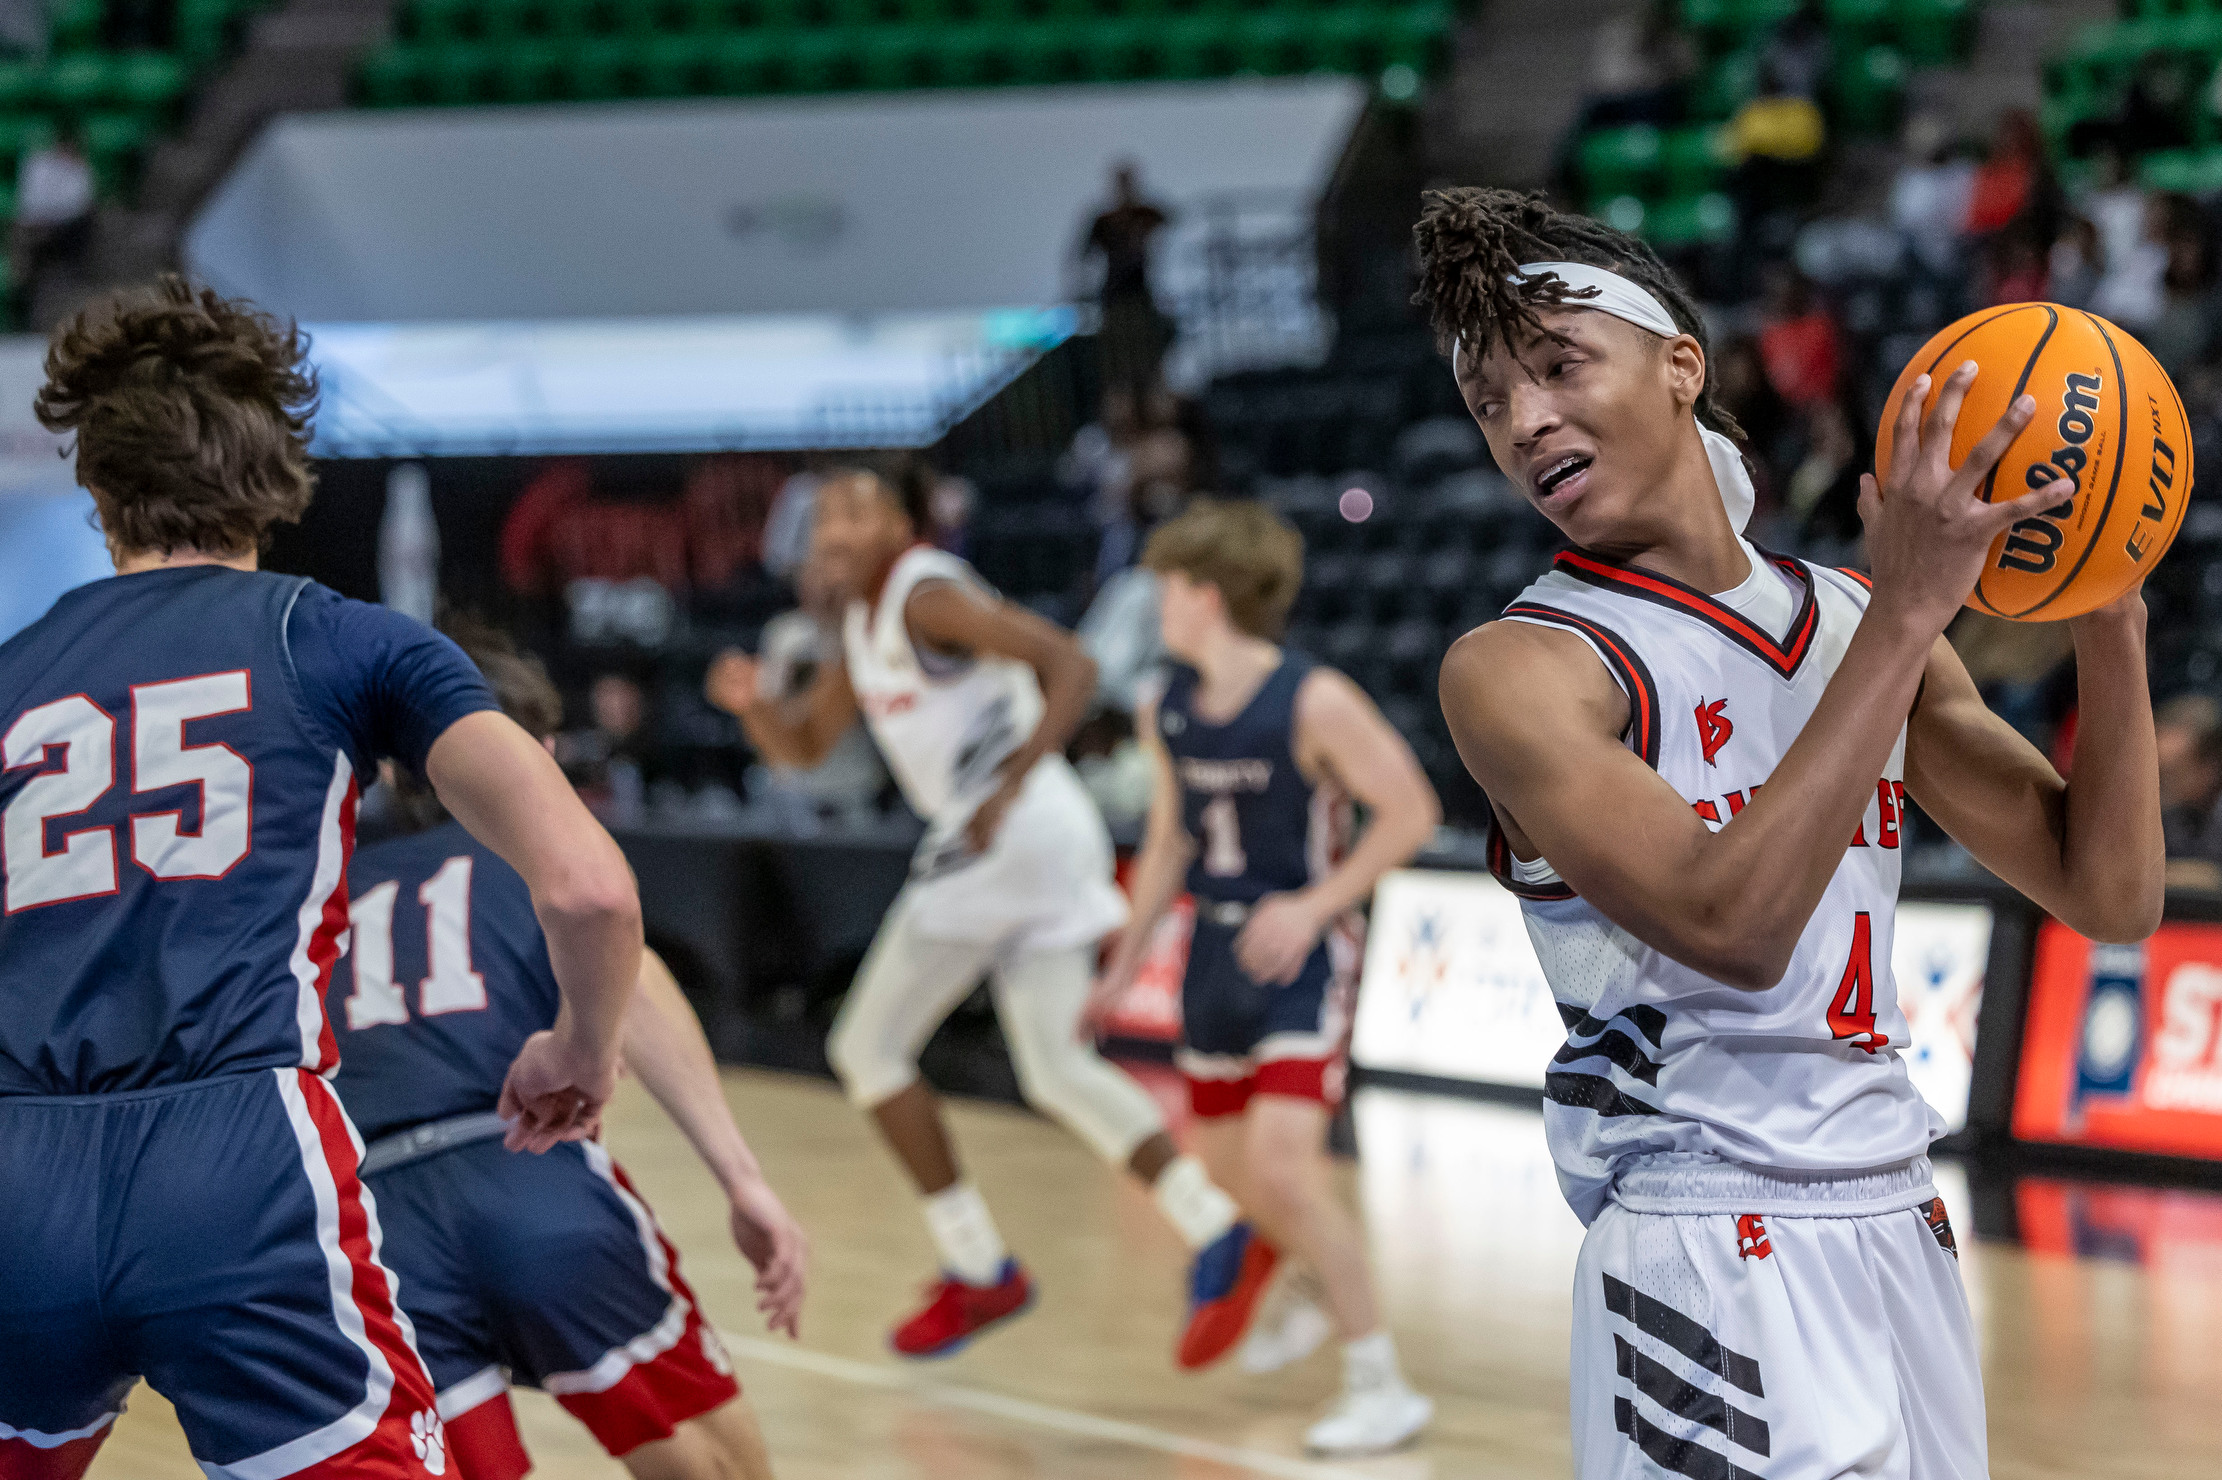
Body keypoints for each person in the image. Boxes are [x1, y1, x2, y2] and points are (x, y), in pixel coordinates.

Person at [1415, 188, 2163, 1480]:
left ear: (1678, 365)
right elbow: (1730, 927)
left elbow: (2108, 894)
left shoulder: (1847, 619)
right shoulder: (1525, 668)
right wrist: (1909, 614)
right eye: (1489, 400)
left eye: (1556, 366)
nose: (1525, 420)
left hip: (1895, 1220)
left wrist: (2105, 611)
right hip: (1701, 1246)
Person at [0, 277, 641, 1474]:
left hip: (15, 1171)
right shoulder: (340, 637)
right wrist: (582, 1047)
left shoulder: (12, 672)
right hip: (240, 1157)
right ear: (280, 477)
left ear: (97, 491)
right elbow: (590, 887)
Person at [702, 464, 1254, 1362]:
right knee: (1055, 1070)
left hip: (1009, 835)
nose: (834, 528)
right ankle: (1215, 1226)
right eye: (824, 516)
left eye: (856, 509)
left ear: (899, 523)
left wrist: (1011, 778)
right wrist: (753, 707)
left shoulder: (924, 595)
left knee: (866, 1049)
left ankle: (980, 1265)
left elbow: (1071, 666)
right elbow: (803, 746)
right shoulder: (867, 616)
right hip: (1032, 841)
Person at [332, 620, 806, 1480]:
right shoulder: (532, 848)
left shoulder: (331, 879)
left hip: (376, 1229)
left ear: (397, 770)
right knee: (716, 1471)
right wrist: (741, 1179)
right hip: (524, 1172)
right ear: (540, 751)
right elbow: (640, 982)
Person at [1090, 500, 1440, 1456]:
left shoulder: (1312, 698)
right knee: (1236, 1178)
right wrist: (1121, 966)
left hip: (1302, 952)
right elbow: (1169, 841)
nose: (1157, 605)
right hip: (1213, 954)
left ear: (1207, 594)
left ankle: (1382, 1383)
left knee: (1287, 1169)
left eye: (1167, 587)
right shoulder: (1164, 703)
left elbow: (1409, 809)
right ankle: (1300, 1292)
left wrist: (1317, 904)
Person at [1079, 162, 1173, 395]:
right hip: (1116, 296)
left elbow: (1169, 218)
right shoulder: (1105, 221)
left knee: (1147, 354)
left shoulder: (1144, 214)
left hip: (1139, 294)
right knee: (1119, 359)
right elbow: (1084, 254)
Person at [11, 122, 94, 325]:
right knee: (21, 236)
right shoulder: (38, 165)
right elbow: (28, 200)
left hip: (64, 230)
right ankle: (20, 282)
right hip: (34, 226)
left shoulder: (80, 172)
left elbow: (77, 205)